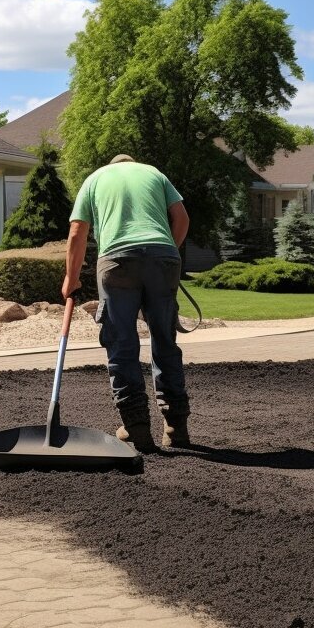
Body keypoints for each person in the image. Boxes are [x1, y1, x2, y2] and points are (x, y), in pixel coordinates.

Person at [63, 154, 190, 453]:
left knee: (121, 344)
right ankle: (176, 427)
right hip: (164, 257)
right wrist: (166, 252)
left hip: (117, 261)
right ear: (132, 164)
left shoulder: (94, 179)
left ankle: (137, 428)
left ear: (111, 166)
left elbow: (77, 232)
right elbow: (182, 218)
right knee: (164, 342)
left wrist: (71, 279)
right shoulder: (155, 173)